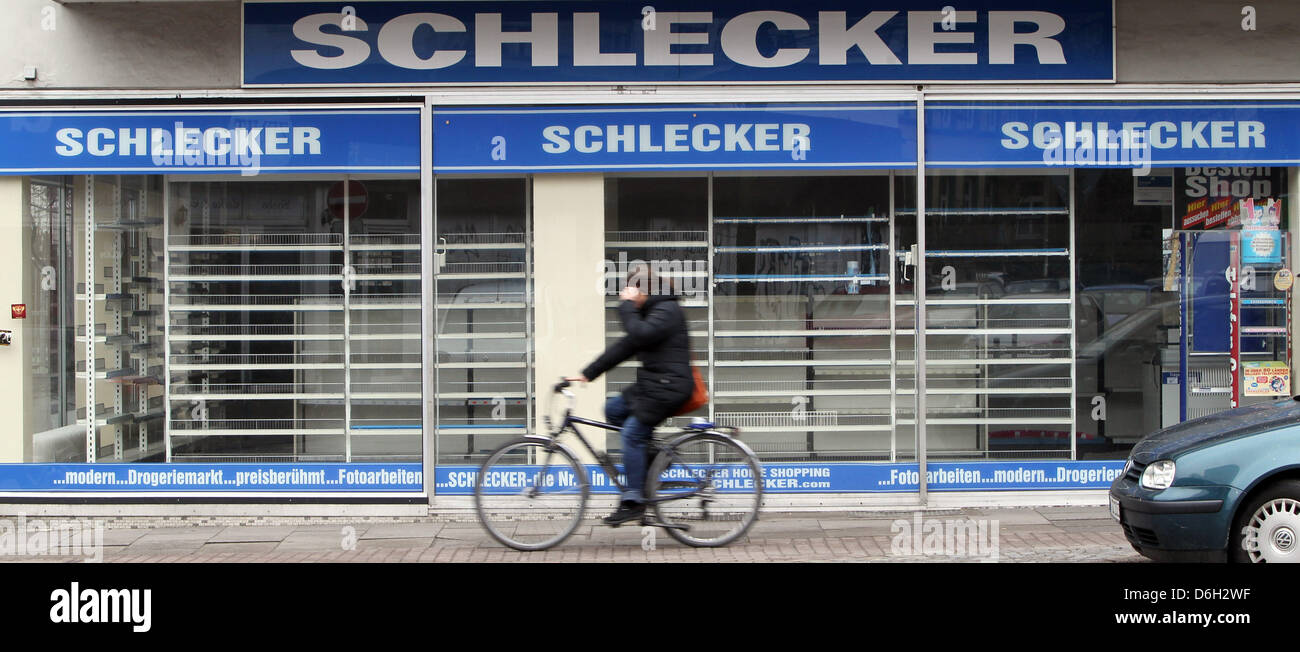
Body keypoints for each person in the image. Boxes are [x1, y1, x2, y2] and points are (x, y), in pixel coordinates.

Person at [568, 264, 693, 525]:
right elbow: (625, 346)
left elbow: (639, 334)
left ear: (642, 290)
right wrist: (587, 373)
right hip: (654, 384)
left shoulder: (667, 310)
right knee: (612, 410)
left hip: (669, 387)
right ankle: (653, 459)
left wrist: (625, 306)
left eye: (629, 290)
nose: (625, 295)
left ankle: (634, 499)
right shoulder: (651, 312)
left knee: (631, 434)